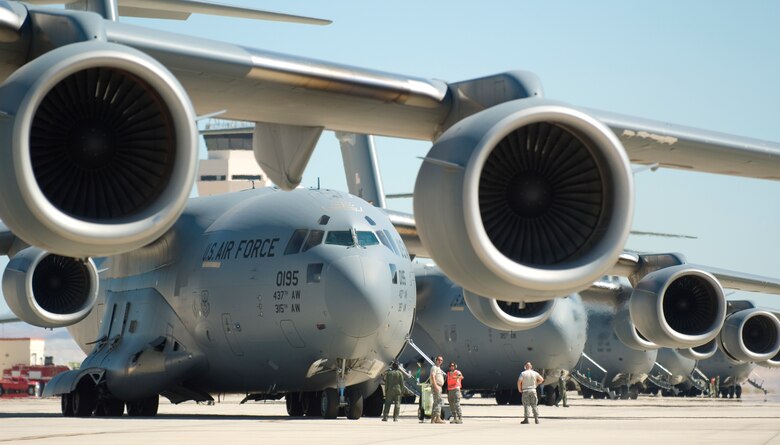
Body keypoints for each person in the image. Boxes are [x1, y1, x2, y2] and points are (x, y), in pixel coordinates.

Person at [429, 355, 446, 424]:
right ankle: (437, 418)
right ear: (436, 360)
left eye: (441, 360)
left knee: (437, 402)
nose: (440, 361)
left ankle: (434, 418)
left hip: (439, 387)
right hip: (436, 386)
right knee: (438, 402)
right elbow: (433, 376)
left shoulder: (438, 368)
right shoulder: (434, 367)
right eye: (439, 360)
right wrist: (435, 386)